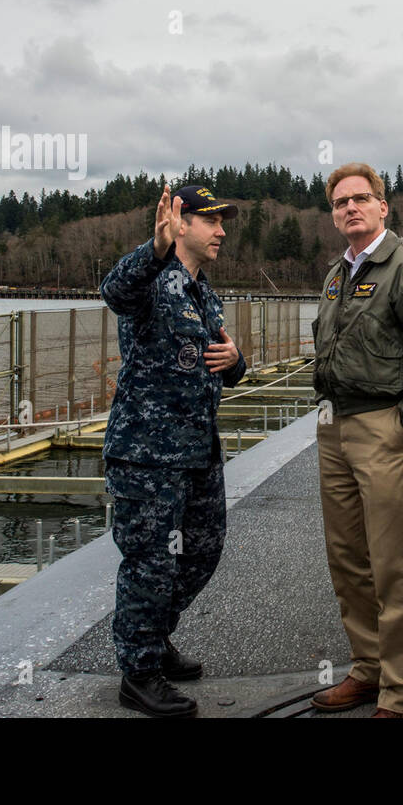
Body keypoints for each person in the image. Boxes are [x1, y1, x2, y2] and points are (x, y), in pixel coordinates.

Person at [310, 162, 403, 718]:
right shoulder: (336, 275)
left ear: (382, 207)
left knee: (391, 562)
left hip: (383, 427)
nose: (349, 207)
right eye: (339, 202)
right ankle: (367, 669)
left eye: (360, 198)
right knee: (348, 557)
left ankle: (401, 694)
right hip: (335, 427)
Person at [100, 183, 247, 717]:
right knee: (150, 564)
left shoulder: (202, 290)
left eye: (223, 221)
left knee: (202, 552)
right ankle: (138, 673)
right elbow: (114, 291)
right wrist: (154, 248)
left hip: (197, 452)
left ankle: (155, 637)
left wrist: (235, 361)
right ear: (180, 223)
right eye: (211, 220)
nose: (222, 231)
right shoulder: (149, 279)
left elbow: (222, 364)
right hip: (147, 455)